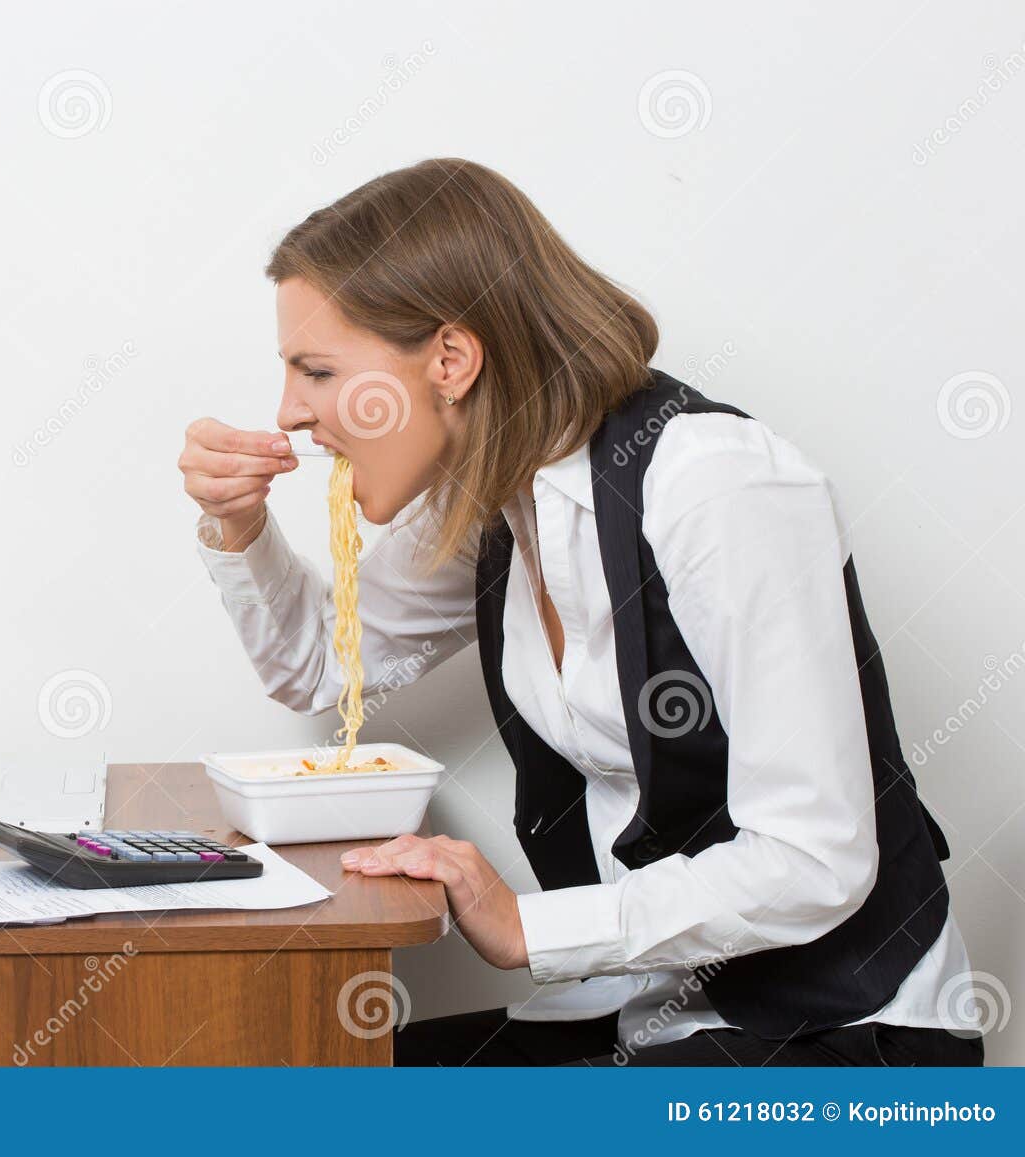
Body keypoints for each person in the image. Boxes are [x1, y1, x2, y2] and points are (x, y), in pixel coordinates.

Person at [178, 157, 983, 1066]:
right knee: (323, 1077)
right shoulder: (495, 501)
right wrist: (238, 525)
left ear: (451, 360)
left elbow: (816, 856)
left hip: (842, 1035)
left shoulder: (715, 487)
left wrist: (528, 927)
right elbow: (321, 666)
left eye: (317, 370)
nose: (289, 413)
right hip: (650, 1008)